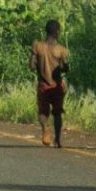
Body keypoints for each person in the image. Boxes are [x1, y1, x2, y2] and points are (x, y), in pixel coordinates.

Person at [30, 20, 71, 148]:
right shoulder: (62, 50)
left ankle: (45, 129)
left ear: (46, 31)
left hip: (43, 84)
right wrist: (64, 67)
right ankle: (57, 139)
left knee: (43, 112)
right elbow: (65, 69)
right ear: (57, 32)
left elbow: (31, 66)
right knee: (57, 113)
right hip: (57, 86)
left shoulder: (37, 46)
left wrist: (37, 63)